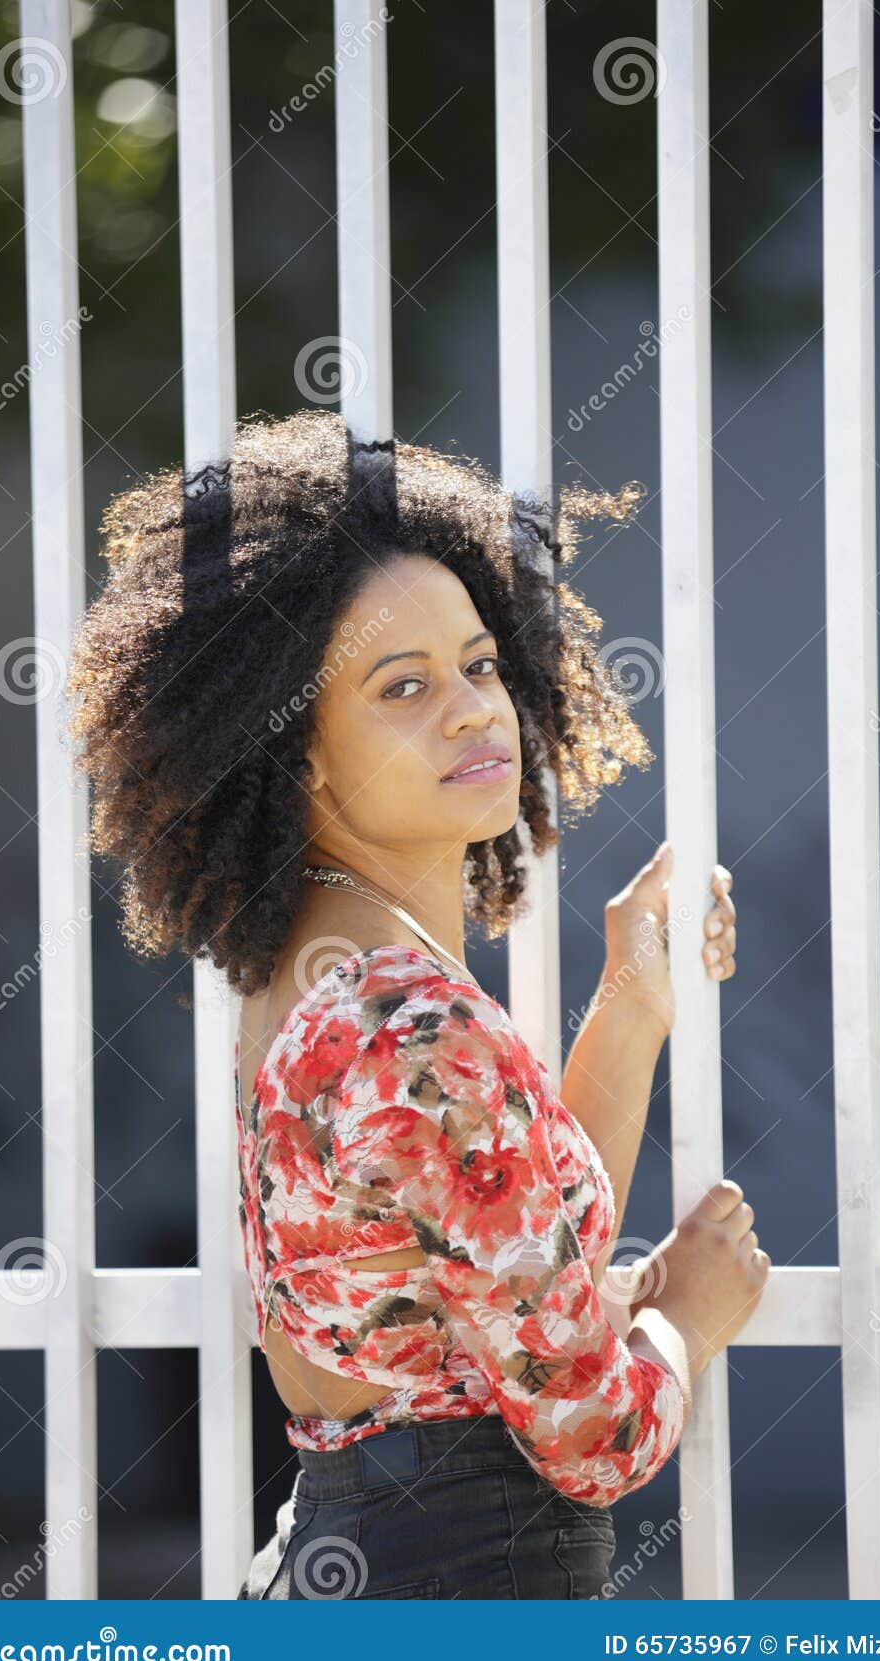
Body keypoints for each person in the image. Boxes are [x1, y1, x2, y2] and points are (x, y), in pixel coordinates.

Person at [68, 407, 769, 1599]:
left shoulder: (317, 979)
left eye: (480, 662)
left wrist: (633, 996)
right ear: (294, 752)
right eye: (402, 686)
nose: (472, 707)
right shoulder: (413, 1029)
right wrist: (683, 1319)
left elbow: (501, 1245)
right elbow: (595, 1436)